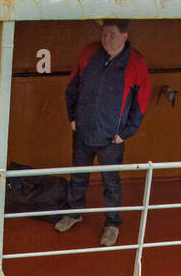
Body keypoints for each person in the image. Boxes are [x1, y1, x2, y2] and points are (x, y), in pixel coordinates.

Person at [53, 20, 151, 247]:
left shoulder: (135, 63)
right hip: (83, 132)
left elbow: (141, 103)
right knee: (78, 176)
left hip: (111, 139)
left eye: (112, 35)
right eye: (104, 34)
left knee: (111, 183)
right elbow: (72, 87)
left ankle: (112, 224)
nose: (106, 39)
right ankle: (74, 213)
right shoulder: (90, 53)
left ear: (125, 36)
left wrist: (125, 133)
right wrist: (73, 119)